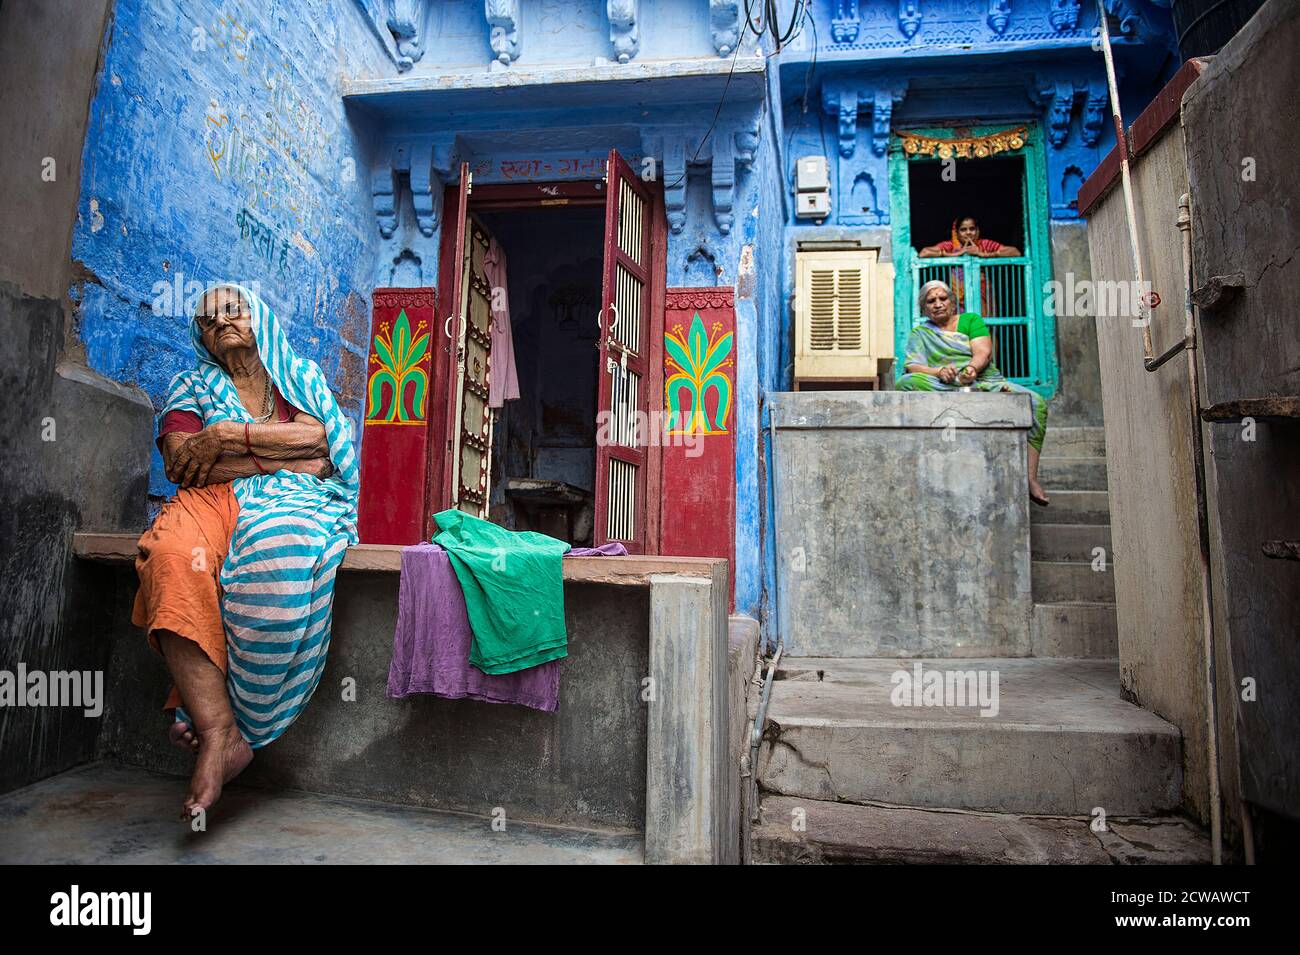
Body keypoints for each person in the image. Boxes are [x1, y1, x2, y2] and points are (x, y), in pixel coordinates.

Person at [131, 283, 359, 818]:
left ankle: (238, 723)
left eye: (233, 311)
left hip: (293, 500)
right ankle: (217, 730)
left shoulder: (295, 376)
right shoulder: (189, 386)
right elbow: (183, 463)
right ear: (202, 340)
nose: (221, 323)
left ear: (258, 318)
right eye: (208, 321)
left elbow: (324, 443)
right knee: (168, 557)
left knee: (279, 554)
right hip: (208, 501)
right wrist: (281, 453)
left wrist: (229, 435)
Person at [896, 280, 1050, 506]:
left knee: (1036, 403)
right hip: (945, 383)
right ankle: (959, 389)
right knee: (905, 383)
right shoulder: (921, 333)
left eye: (943, 298)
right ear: (924, 308)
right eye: (931, 301)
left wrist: (970, 369)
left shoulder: (970, 320)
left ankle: (1030, 478)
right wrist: (938, 371)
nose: (938, 304)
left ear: (952, 302)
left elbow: (983, 352)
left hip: (983, 381)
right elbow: (913, 366)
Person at [918, 215, 1021, 258]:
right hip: (957, 293)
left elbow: (1015, 252)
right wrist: (956, 254)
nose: (968, 233)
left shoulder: (984, 244)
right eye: (963, 230)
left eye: (972, 229)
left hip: (983, 292)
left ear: (977, 231)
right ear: (957, 233)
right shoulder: (950, 245)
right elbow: (924, 253)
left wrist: (982, 254)